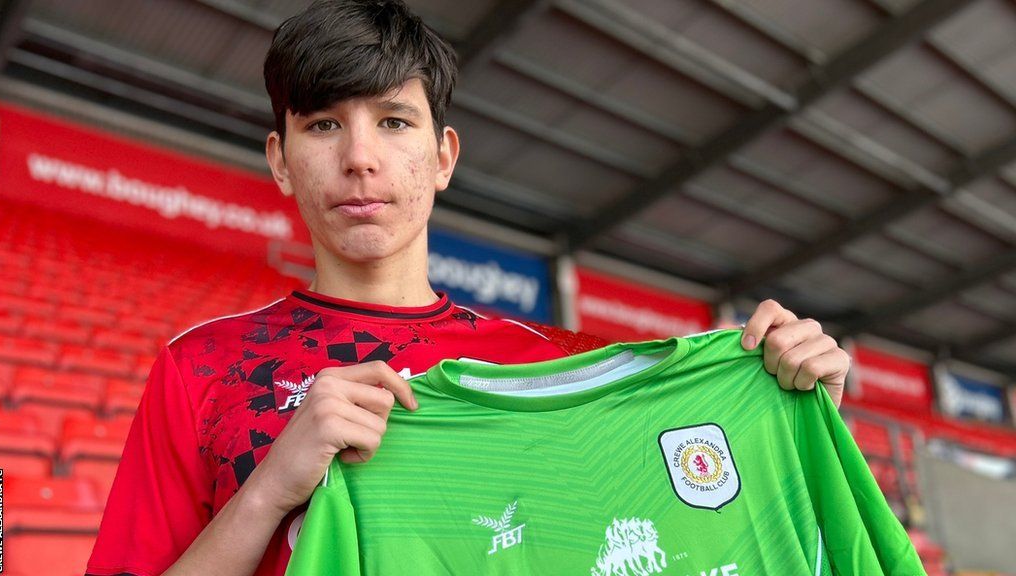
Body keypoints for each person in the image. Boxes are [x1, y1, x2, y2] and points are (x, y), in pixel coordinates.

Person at [85, 2, 851, 575]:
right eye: (322, 125)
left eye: (392, 122)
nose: (359, 158)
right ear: (280, 160)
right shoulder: (202, 366)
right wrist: (269, 490)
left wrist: (787, 408)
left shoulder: (543, 368)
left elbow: (667, 538)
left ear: (444, 156)